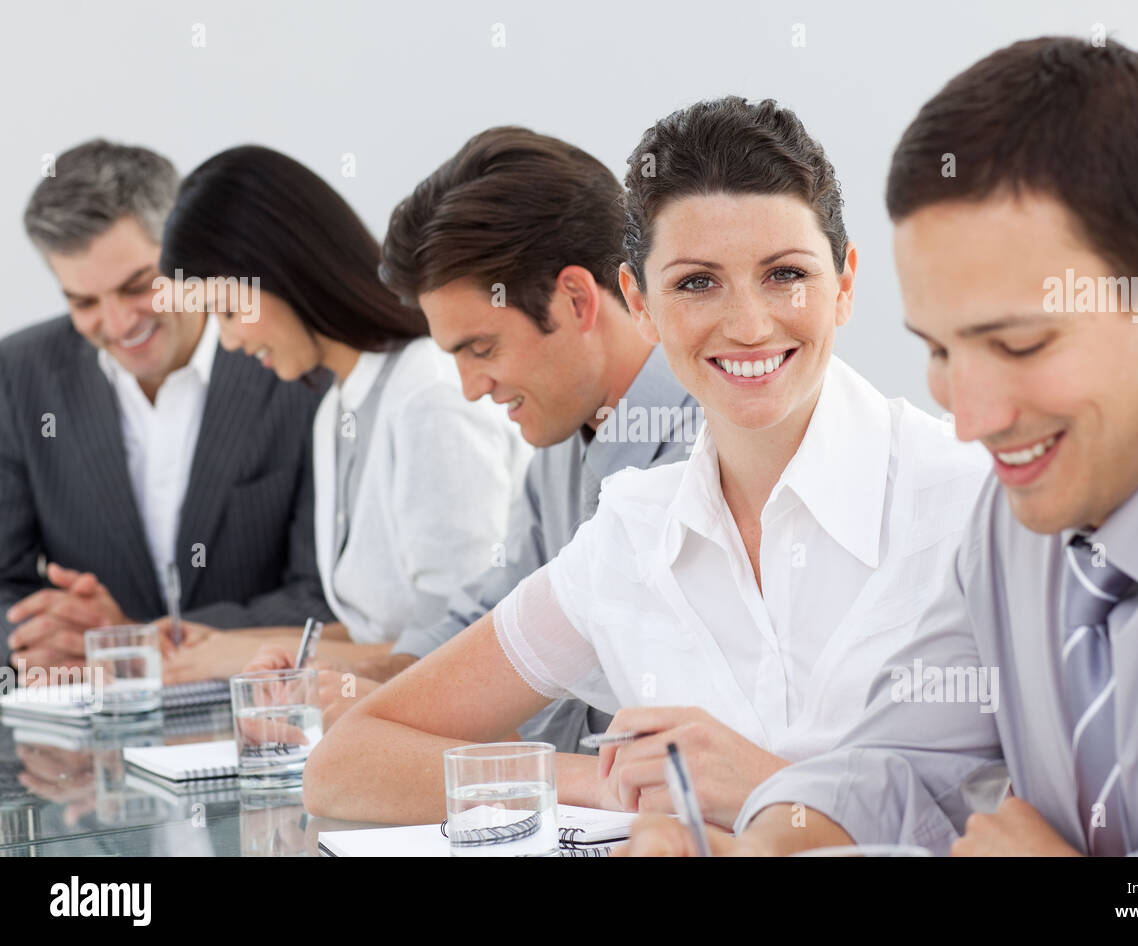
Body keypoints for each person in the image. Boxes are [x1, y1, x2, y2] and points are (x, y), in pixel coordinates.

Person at [624, 37, 1138, 858]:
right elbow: (898, 763)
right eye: (941, 352)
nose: (971, 421)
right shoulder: (1014, 523)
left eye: (1017, 344)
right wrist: (756, 848)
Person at [302, 98, 989, 827]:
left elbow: (1067, 832)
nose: (750, 324)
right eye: (697, 282)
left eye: (786, 273)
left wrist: (765, 788)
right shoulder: (631, 531)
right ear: (642, 302)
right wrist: (616, 784)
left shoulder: (972, 500)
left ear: (845, 284)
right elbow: (345, 766)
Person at [244, 126, 698, 750]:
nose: (470, 388)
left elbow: (628, 697)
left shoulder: (709, 446)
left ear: (573, 300)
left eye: (481, 348)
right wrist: (361, 681)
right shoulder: (563, 445)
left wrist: (408, 709)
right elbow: (487, 613)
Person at [154, 145, 530, 682]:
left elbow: (458, 645)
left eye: (230, 311)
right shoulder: (337, 404)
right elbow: (371, 632)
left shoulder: (428, 393)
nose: (230, 340)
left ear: (285, 271)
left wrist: (236, 658)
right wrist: (221, 643)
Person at [0, 140, 329, 677]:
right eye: (82, 302)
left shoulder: (292, 363)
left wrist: (141, 641)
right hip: (93, 728)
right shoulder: (18, 374)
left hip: (262, 712)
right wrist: (55, 635)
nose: (118, 323)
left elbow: (324, 598)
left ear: (187, 251)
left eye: (138, 286)